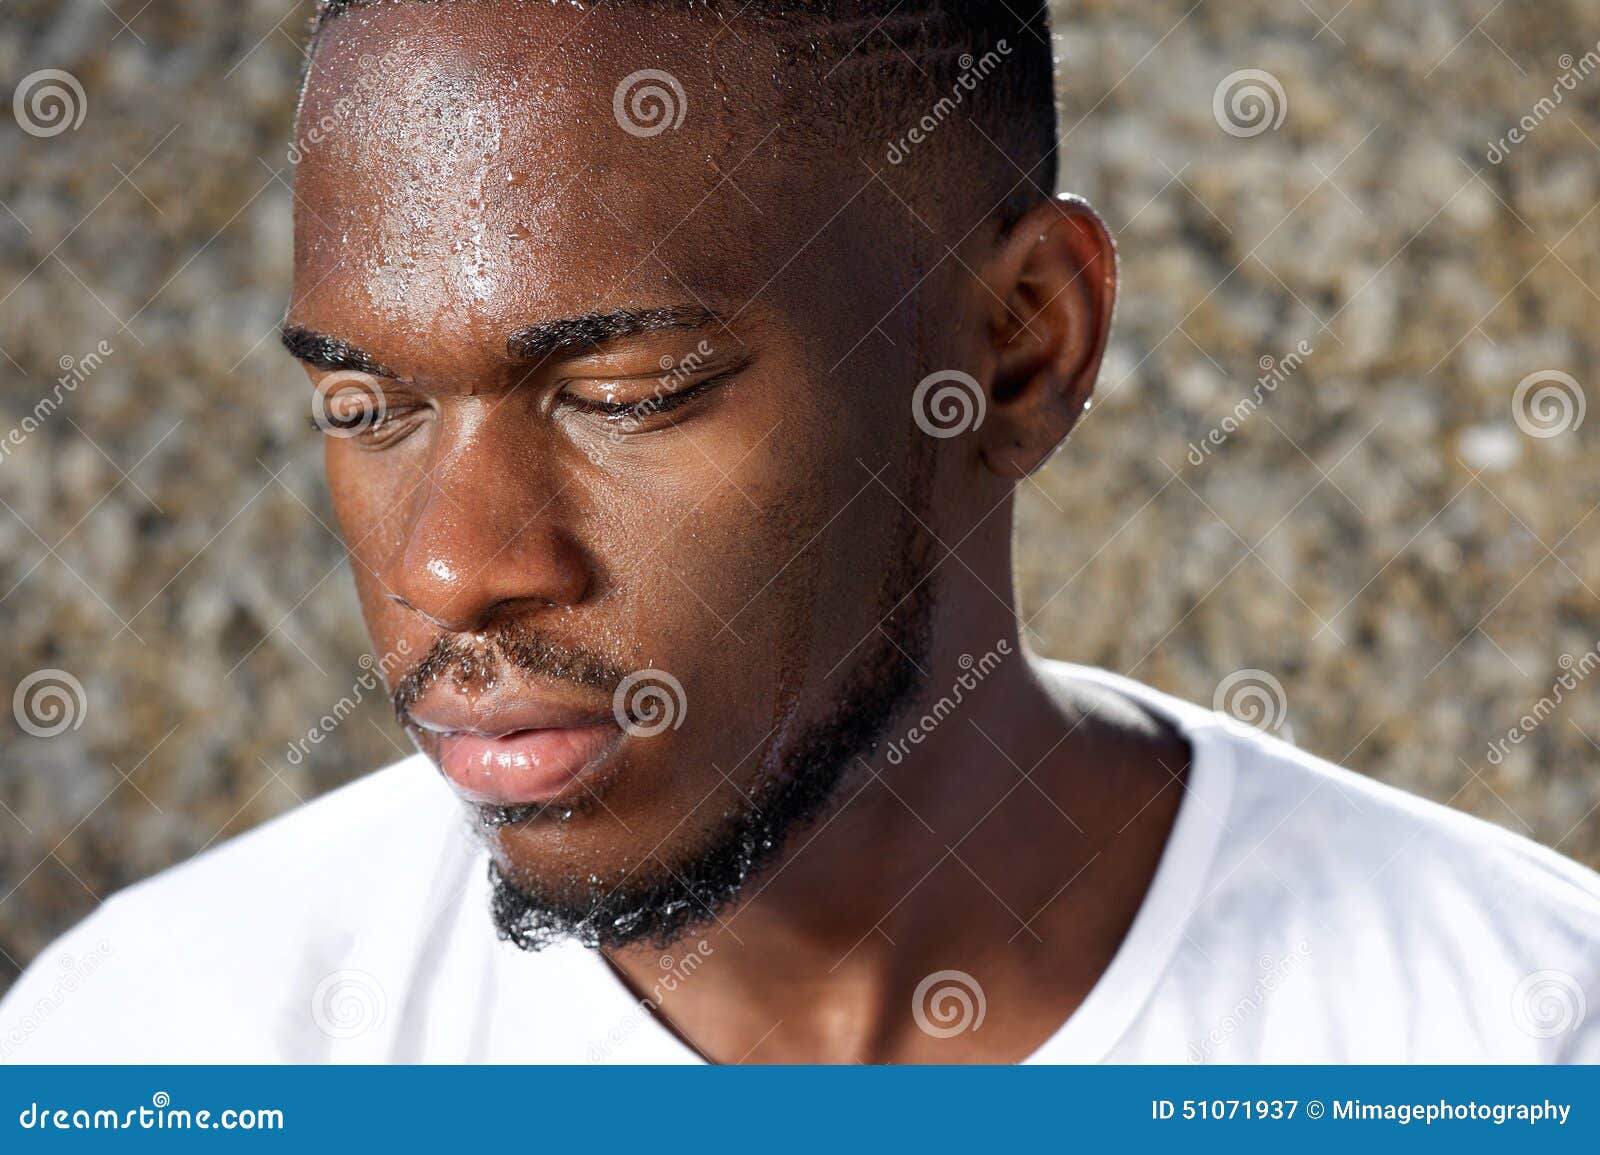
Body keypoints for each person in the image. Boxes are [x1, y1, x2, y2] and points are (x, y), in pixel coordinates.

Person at [4, 0, 1597, 1065]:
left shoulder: (1514, 1037)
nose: (448, 565)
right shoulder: (162, 1045)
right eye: (367, 409)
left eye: (629, 390)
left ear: (1019, 350)